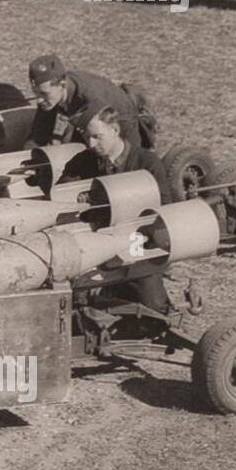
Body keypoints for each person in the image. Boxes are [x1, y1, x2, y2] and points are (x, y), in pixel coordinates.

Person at [77, 106, 173, 328]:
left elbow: (165, 208)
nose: (91, 144)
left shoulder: (147, 163)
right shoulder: (87, 160)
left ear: (115, 130)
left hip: (140, 241)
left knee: (154, 313)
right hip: (97, 242)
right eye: (87, 137)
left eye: (96, 137)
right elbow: (65, 187)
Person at [27, 53, 144, 149]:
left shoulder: (90, 97)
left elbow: (98, 139)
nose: (39, 100)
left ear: (62, 85)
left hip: (121, 123)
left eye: (43, 93)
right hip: (88, 124)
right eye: (35, 93)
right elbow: (38, 134)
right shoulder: (52, 94)